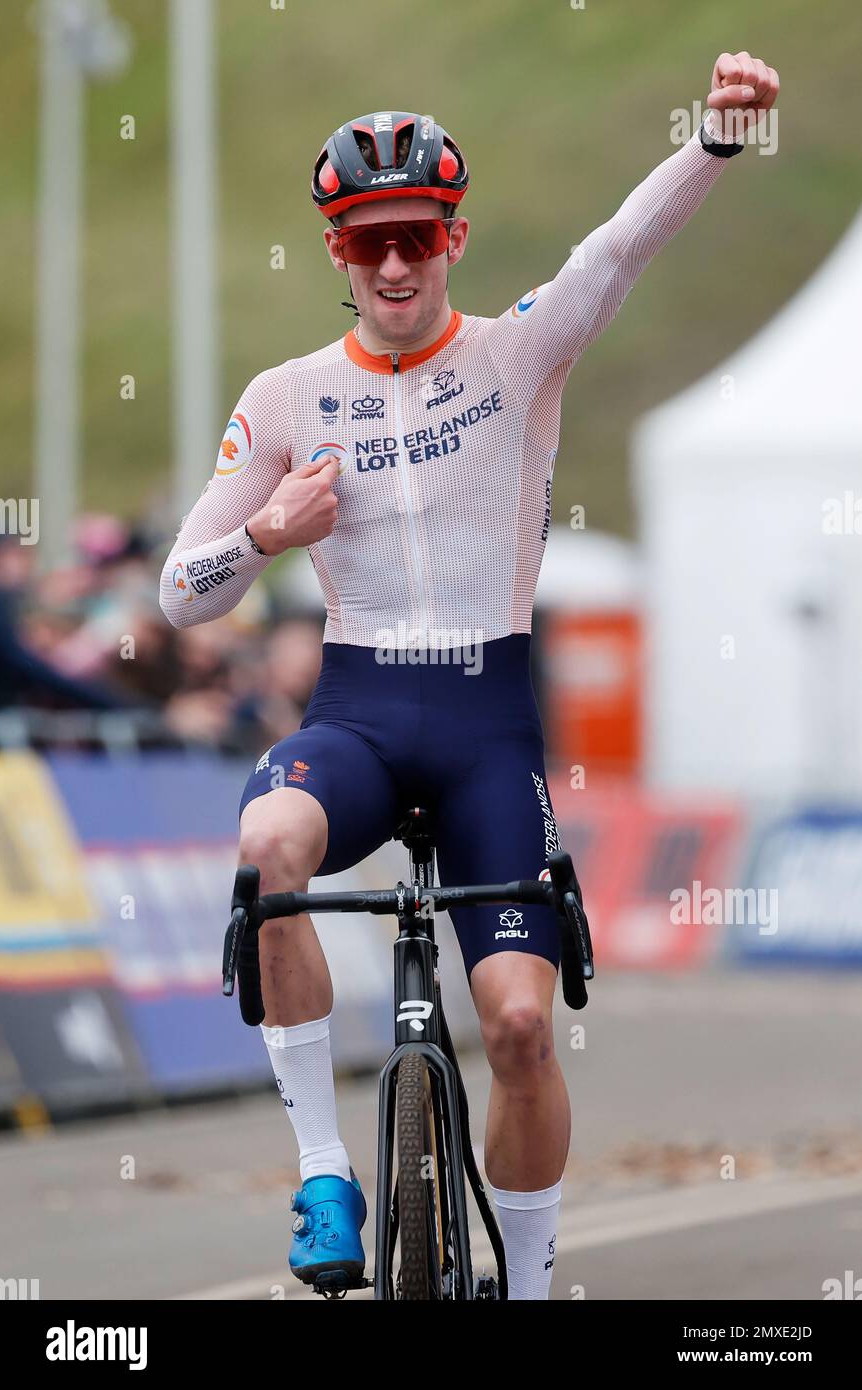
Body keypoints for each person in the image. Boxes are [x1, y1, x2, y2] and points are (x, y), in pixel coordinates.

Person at [160, 53, 779, 1299]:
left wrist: (712, 138)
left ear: (453, 238)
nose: (396, 266)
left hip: (491, 725)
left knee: (511, 1026)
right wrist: (267, 535)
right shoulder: (288, 397)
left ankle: (534, 1283)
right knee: (264, 844)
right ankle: (327, 1173)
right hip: (358, 717)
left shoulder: (516, 357)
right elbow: (181, 593)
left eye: (419, 239)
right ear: (337, 251)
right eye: (369, 241)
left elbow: (613, 251)